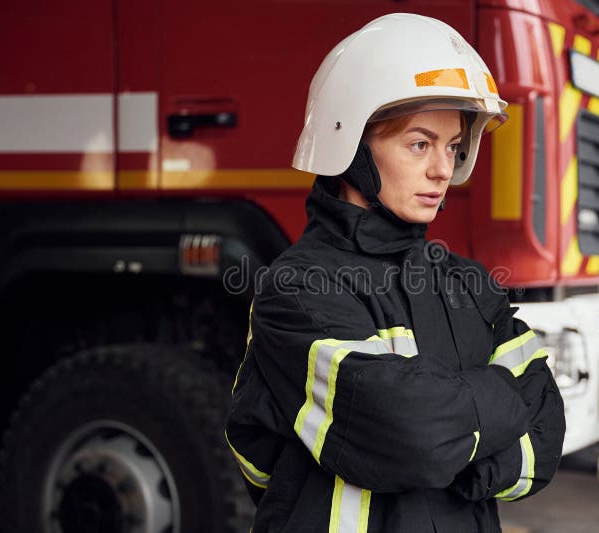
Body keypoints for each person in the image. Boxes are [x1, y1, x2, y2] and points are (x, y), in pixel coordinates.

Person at [225, 13, 565, 532]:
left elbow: (546, 424)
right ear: (353, 145)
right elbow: (411, 435)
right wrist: (492, 404)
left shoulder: (468, 285)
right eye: (419, 144)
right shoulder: (297, 288)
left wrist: (464, 453)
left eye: (452, 146)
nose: (443, 169)